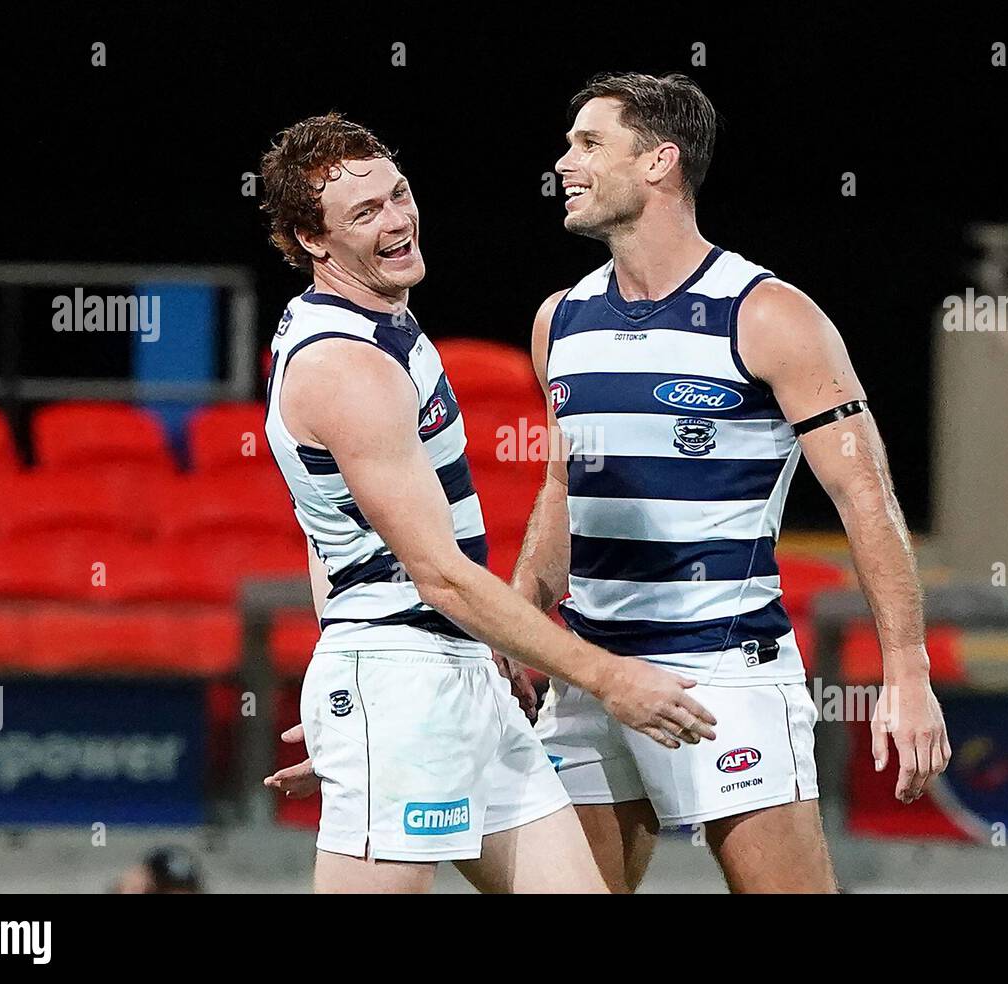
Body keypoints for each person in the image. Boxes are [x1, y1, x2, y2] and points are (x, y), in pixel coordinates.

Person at [502, 72, 951, 893]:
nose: (564, 162)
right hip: (591, 675)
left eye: (588, 143)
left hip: (728, 673)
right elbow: (564, 484)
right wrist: (520, 619)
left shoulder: (769, 313)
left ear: (659, 163)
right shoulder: (559, 320)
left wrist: (907, 674)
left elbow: (866, 499)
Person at [256, 112, 715, 894]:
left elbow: (326, 533)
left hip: (444, 678)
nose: (398, 219)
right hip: (405, 685)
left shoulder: (379, 320)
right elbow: (438, 575)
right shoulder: (346, 367)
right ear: (311, 241)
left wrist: (351, 688)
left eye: (398, 194)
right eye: (364, 214)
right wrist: (608, 678)